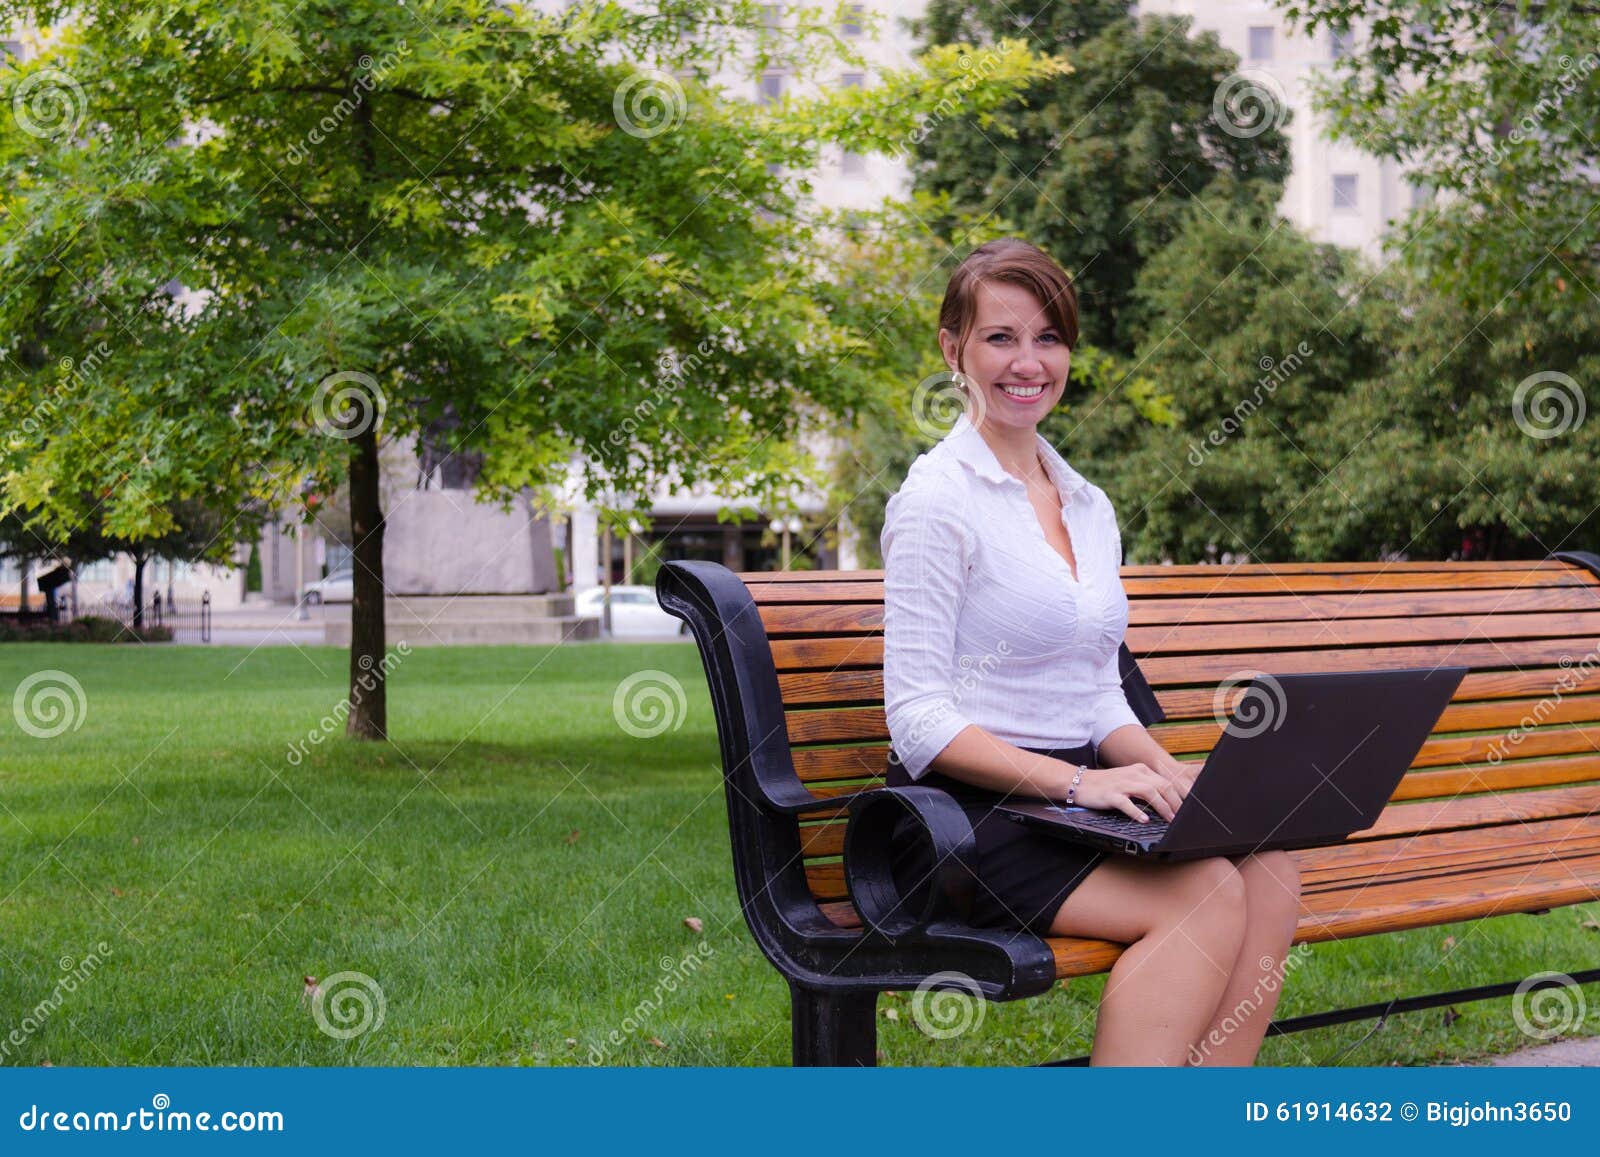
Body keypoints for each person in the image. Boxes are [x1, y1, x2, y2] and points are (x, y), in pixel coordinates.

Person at [881, 238, 1302, 1066]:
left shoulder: (1086, 503)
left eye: (1049, 338)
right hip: (963, 818)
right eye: (1000, 337)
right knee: (1205, 893)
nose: (1028, 362)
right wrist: (1082, 783)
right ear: (952, 349)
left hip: (1074, 806)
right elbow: (919, 720)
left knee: (1271, 872)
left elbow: (1097, 692)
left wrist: (1171, 775)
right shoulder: (937, 500)